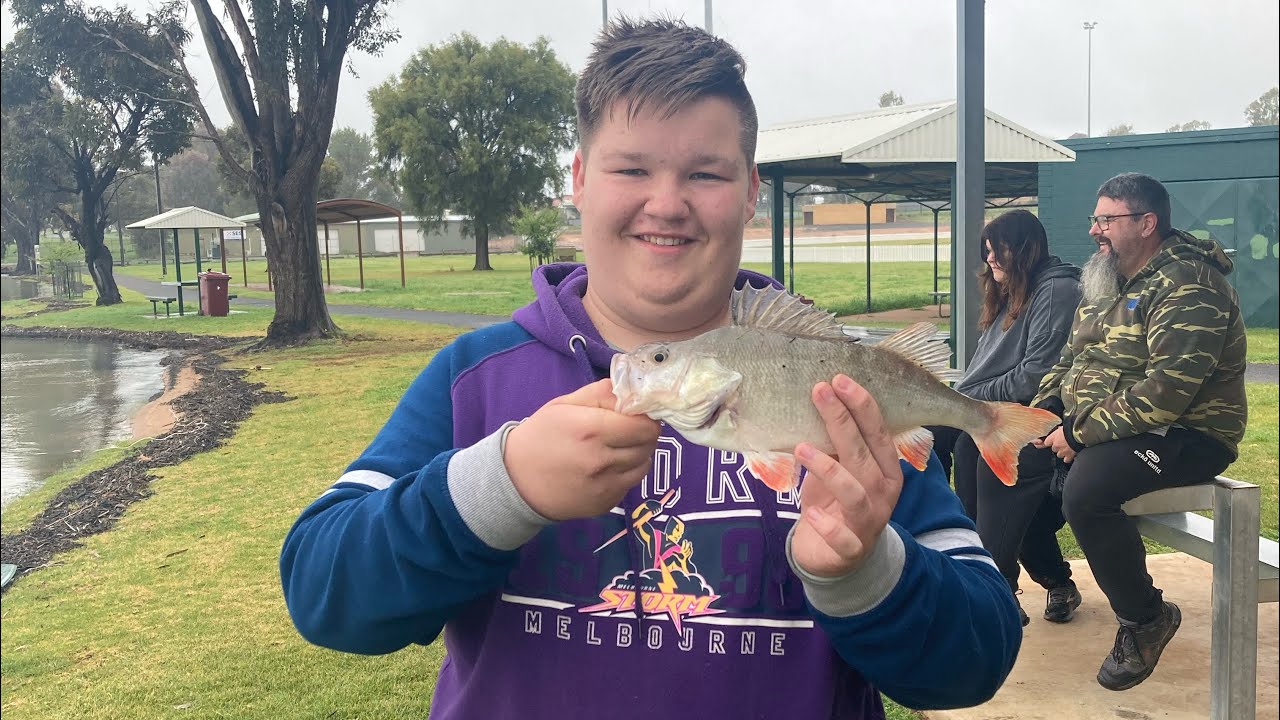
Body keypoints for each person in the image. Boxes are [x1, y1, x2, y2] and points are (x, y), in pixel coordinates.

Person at [280, 18, 1021, 718]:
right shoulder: (475, 377)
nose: (666, 204)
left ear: (752, 192)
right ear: (578, 179)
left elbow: (977, 656)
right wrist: (502, 487)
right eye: (631, 167)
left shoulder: (839, 390)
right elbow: (323, 593)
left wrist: (863, 572)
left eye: (706, 173)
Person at [1032, 172, 1247, 692]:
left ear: (1147, 223)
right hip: (1117, 427)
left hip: (1188, 435)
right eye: (1095, 218)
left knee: (1088, 491)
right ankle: (1008, 586)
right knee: (1005, 456)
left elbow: (1168, 392)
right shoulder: (1108, 277)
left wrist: (1079, 435)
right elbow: (1069, 359)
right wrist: (1043, 417)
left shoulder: (1191, 285)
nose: (1094, 231)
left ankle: (1145, 618)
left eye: (1106, 219)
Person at [949, 209, 1082, 628]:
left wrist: (968, 398)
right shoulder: (1014, 288)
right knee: (941, 440)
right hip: (1000, 411)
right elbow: (987, 370)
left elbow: (1034, 377)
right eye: (986, 250)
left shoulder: (1057, 289)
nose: (989, 259)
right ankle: (975, 572)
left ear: (1024, 249)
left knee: (986, 463)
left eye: (997, 249)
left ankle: (1000, 587)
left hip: (1046, 417)